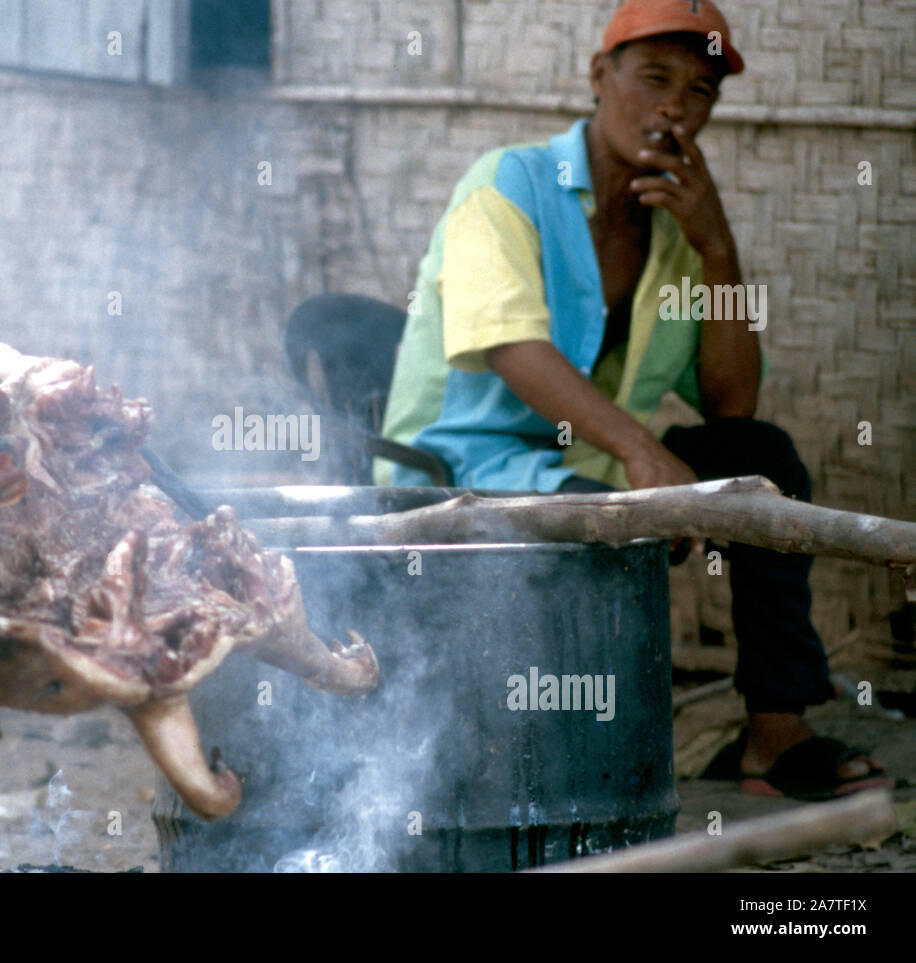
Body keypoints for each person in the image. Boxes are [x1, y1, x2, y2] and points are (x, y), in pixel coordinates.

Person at [363, 0, 891, 800]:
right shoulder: (507, 185)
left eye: (701, 90)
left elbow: (731, 404)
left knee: (763, 457)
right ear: (598, 75)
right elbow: (513, 346)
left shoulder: (677, 237)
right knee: (608, 530)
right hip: (458, 466)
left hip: (590, 469)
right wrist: (641, 449)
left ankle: (776, 733)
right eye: (654, 77)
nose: (676, 106)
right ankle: (570, 759)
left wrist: (719, 251)